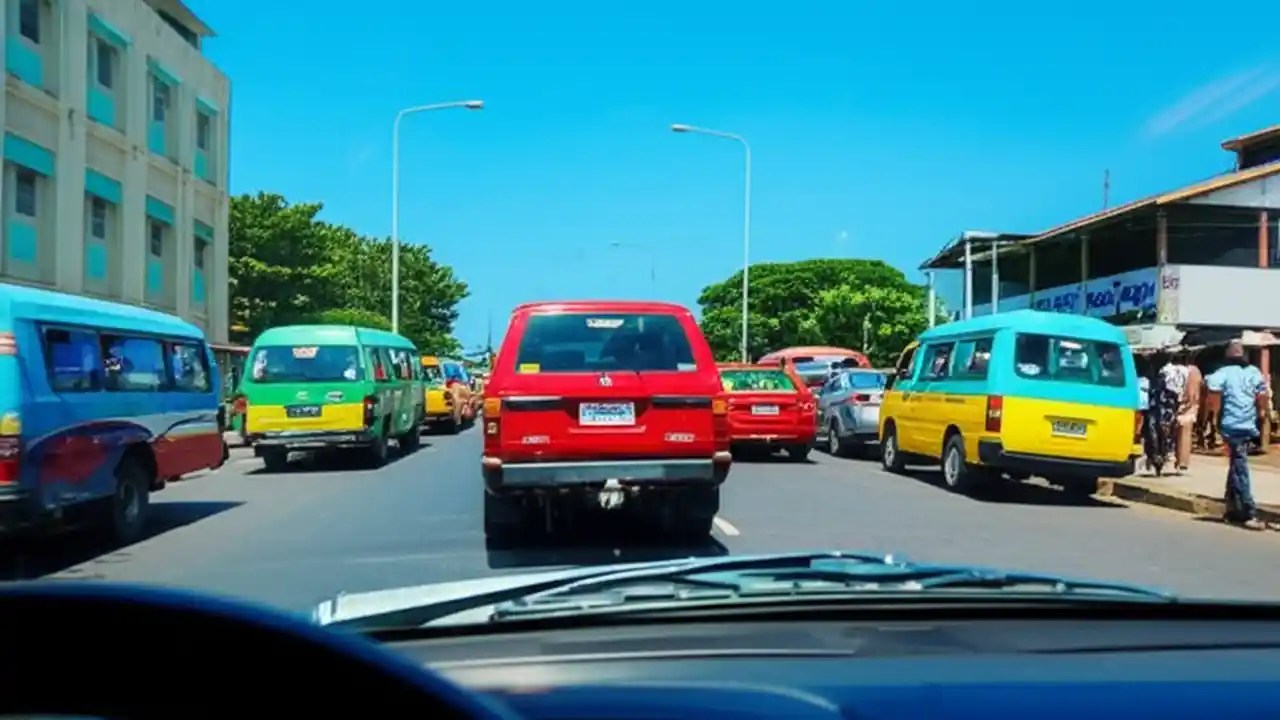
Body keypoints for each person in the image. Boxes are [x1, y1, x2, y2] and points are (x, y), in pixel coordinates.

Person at [1205, 340, 1271, 530]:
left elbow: (1214, 397)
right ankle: (1234, 508)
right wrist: (1262, 415)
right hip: (1248, 425)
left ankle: (1247, 511)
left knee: (1238, 465)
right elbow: (1262, 397)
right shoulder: (1253, 372)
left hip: (1231, 425)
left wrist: (1213, 420)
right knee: (1237, 462)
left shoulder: (1222, 374)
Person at [1175, 354, 1202, 473]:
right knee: (1186, 433)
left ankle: (1179, 459)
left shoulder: (1179, 370)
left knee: (1178, 433)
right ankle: (1183, 461)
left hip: (1179, 403)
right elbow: (1195, 390)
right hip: (1190, 404)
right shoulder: (1194, 371)